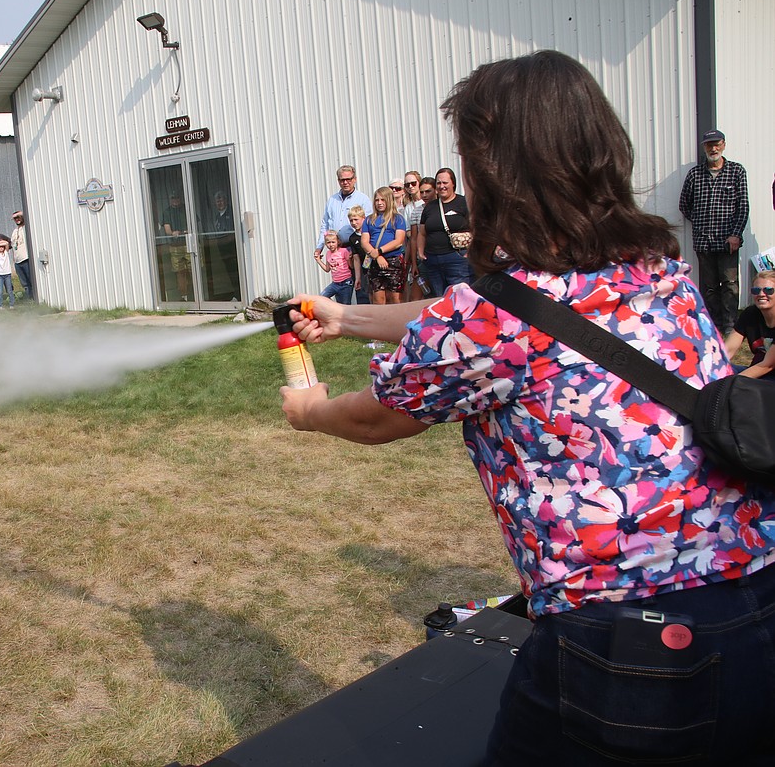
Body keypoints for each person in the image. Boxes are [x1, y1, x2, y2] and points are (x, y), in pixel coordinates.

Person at [281, 50, 775, 765]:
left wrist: (309, 410)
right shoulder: (660, 267)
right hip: (756, 604)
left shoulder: (491, 318)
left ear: (500, 168)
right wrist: (347, 318)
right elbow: (493, 317)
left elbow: (372, 416)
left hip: (632, 649)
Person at [679, 129, 749, 332]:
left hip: (729, 241)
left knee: (729, 283)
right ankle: (714, 322)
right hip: (703, 241)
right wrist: (701, 224)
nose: (713, 148)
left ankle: (730, 324)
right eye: (709, 145)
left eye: (717, 144)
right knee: (709, 286)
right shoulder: (695, 174)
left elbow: (743, 206)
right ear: (704, 148)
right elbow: (684, 204)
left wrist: (736, 234)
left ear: (724, 145)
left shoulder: (737, 171)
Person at [417, 168, 472, 296]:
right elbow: (422, 232)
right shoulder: (430, 207)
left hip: (457, 259)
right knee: (440, 299)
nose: (442, 186)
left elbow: (476, 229)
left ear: (453, 183)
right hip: (433, 260)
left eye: (445, 183)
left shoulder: (463, 203)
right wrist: (420, 252)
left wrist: (469, 252)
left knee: (460, 298)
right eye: (438, 183)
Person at [360, 186, 407, 306]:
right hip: (375, 261)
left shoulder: (398, 219)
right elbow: (364, 242)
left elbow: (399, 240)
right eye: (377, 200)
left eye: (383, 200)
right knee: (378, 299)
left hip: (393, 260)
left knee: (396, 298)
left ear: (389, 200)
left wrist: (380, 251)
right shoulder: (369, 220)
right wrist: (376, 256)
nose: (379, 203)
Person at [314, 165, 372, 261]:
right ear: (338, 181)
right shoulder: (332, 200)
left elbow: (369, 224)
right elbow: (325, 225)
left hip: (355, 248)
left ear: (355, 179)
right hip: (336, 250)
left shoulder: (363, 199)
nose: (345, 182)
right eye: (342, 180)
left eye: (348, 179)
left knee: (358, 276)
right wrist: (319, 247)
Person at [724, 269, 775, 376]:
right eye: (756, 290)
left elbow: (768, 365)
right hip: (755, 375)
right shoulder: (750, 314)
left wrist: (732, 383)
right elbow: (728, 350)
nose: (761, 294)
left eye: (768, 290)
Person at [161, 192, 192, 301]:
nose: (175, 200)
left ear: (181, 198)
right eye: (173, 198)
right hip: (175, 246)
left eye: (177, 197)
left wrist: (187, 231)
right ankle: (184, 296)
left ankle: (196, 295)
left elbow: (194, 224)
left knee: (193, 270)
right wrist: (173, 233)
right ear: (170, 199)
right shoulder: (167, 212)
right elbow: (167, 229)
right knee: (180, 272)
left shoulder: (187, 209)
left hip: (189, 244)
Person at [401, 171, 426, 301]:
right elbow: (409, 235)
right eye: (407, 184)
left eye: (413, 183)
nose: (410, 186)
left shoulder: (426, 202)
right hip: (414, 251)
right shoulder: (408, 207)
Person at [315, 230, 358, 304]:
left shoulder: (343, 251)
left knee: (345, 305)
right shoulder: (328, 254)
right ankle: (332, 308)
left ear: (338, 242)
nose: (331, 245)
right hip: (335, 283)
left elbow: (351, 266)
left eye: (333, 242)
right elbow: (327, 269)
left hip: (346, 282)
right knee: (323, 296)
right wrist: (318, 260)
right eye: (328, 242)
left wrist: (350, 258)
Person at [346, 206, 369, 306]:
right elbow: (356, 259)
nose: (354, 223)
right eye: (351, 220)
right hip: (364, 270)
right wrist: (357, 278)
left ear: (363, 218)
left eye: (356, 219)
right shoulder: (353, 238)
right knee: (363, 297)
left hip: (376, 268)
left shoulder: (370, 232)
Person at [10, 211, 34, 302]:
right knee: (24, 283)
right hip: (17, 261)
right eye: (15, 218)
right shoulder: (15, 231)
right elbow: (13, 246)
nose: (17, 220)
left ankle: (34, 298)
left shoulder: (26, 228)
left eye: (18, 217)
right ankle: (29, 299)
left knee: (31, 280)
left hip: (26, 258)